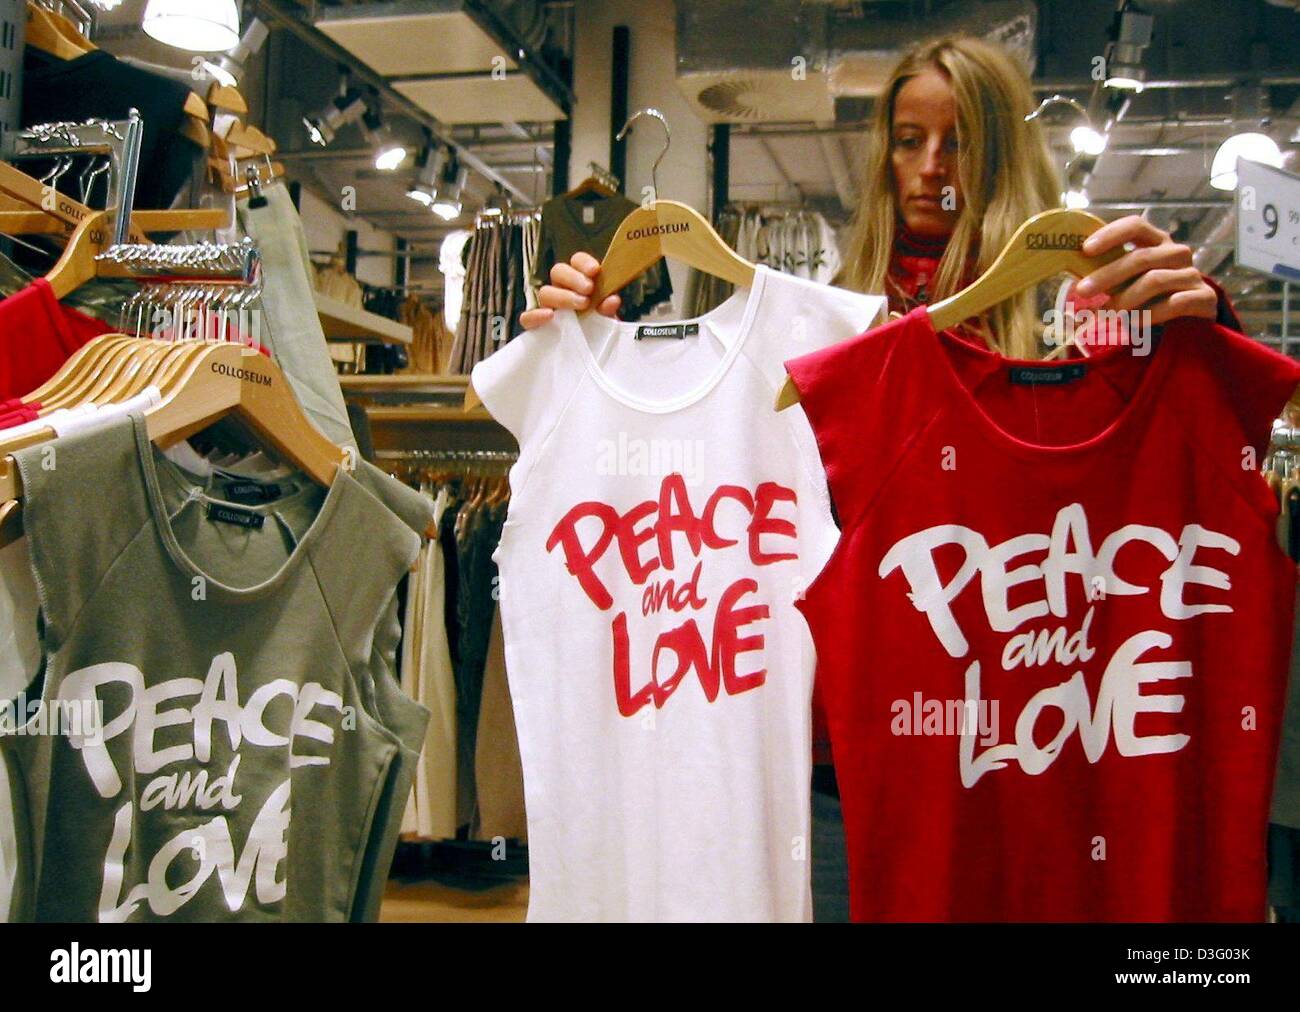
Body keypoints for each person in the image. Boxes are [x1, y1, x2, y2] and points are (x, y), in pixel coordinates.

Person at [519, 34, 1232, 353]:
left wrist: (1200, 330)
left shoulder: (1069, 305)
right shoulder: (839, 304)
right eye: (909, 139)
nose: (930, 168)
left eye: (958, 143)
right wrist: (595, 341)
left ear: (1001, 158)